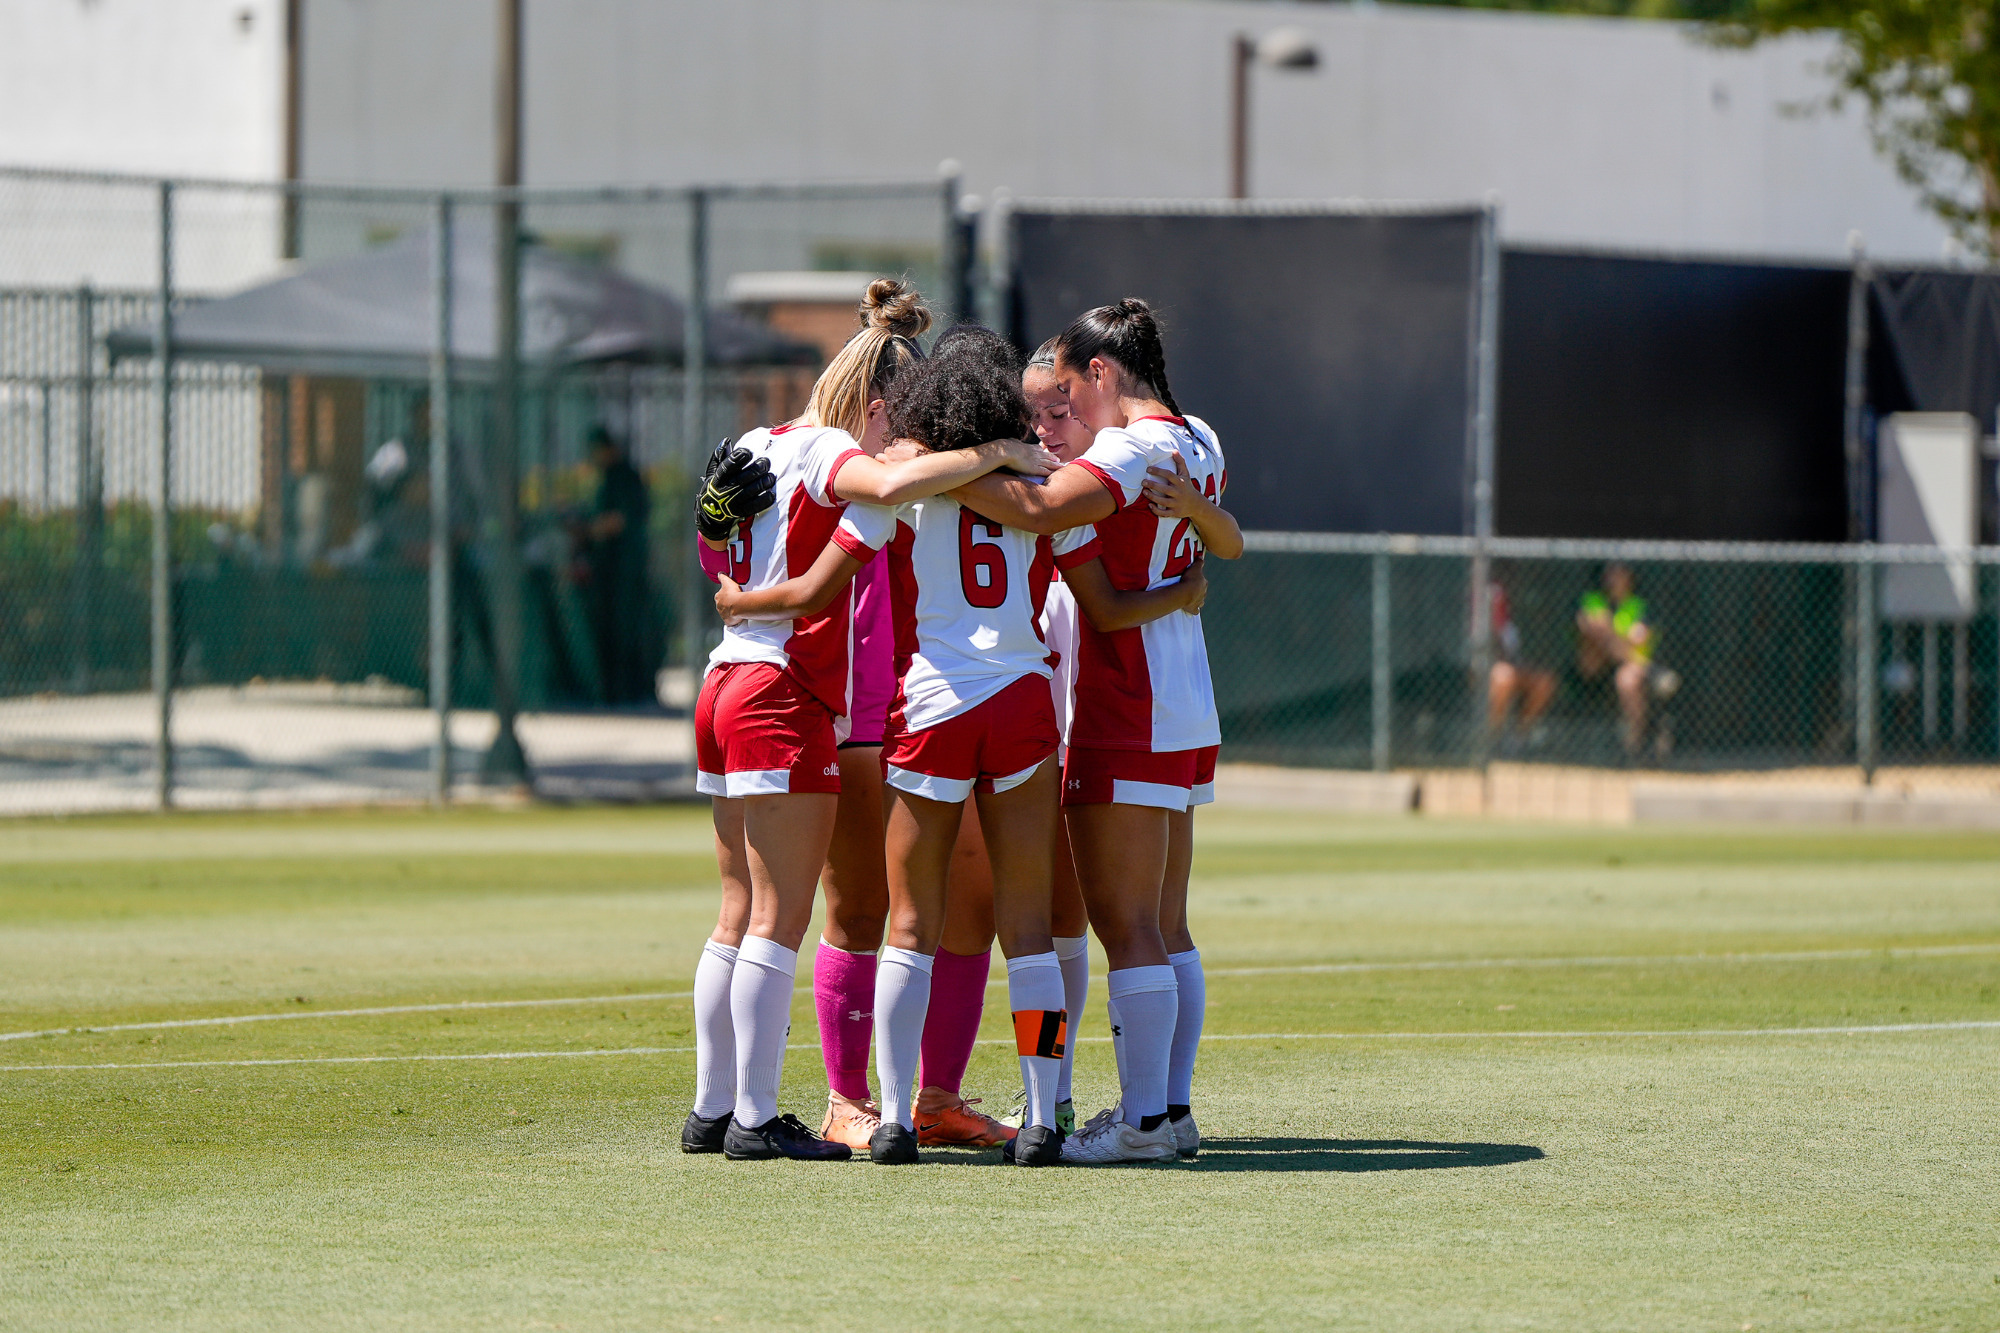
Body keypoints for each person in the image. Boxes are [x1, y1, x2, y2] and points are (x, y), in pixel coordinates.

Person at [677, 279, 1055, 1163]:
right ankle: (1039, 1103)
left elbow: (763, 566)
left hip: (883, 702)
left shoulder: (770, 448)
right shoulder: (894, 480)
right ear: (881, 406)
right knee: (1015, 931)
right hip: (936, 704)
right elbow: (1086, 557)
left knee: (895, 921)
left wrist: (733, 583)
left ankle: (890, 1109)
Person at [951, 300, 1239, 1165]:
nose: (1058, 420)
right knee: (1146, 922)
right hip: (1173, 694)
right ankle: (1133, 1104)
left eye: (1065, 399)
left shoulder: (1122, 451)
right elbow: (1208, 548)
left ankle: (1128, 1115)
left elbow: (1044, 515)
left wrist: (927, 469)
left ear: (1101, 376)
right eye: (1038, 412)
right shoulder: (1203, 438)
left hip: (1100, 705)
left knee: (1096, 926)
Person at [579, 425, 656, 705]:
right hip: (612, 570)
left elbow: (618, 521)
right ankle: (616, 691)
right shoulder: (610, 477)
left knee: (626, 630)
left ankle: (629, 691)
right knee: (612, 629)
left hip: (625, 570)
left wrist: (588, 531)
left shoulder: (623, 476)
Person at [1575, 562, 1675, 756]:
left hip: (1631, 663)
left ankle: (1636, 743)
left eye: (1619, 574)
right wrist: (1612, 634)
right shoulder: (1594, 599)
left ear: (1629, 578)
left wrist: (1608, 631)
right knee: (1595, 637)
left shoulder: (1638, 604)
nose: (1613, 579)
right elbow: (1585, 625)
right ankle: (1654, 671)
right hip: (1598, 661)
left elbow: (1640, 637)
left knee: (1627, 679)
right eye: (1610, 573)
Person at [1486, 578, 1555, 750]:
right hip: (1485, 667)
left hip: (1514, 665)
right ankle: (1491, 741)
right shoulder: (1482, 616)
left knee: (1545, 682)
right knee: (1504, 678)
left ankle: (1518, 738)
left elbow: (1517, 652)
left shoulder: (1521, 616)